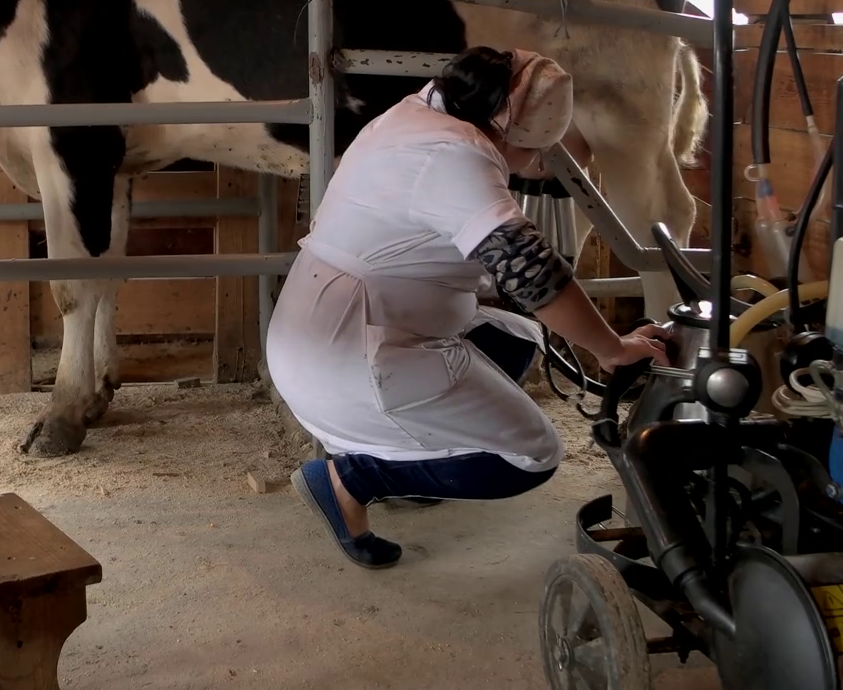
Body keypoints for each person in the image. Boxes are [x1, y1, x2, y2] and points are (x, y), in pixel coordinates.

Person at [267, 45, 669, 569]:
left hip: (330, 329)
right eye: (541, 146)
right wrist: (612, 349)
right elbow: (533, 274)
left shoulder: (417, 113)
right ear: (512, 131)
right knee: (531, 456)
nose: (543, 162)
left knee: (518, 338)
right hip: (347, 352)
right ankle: (355, 478)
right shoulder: (454, 156)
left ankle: (405, 459)